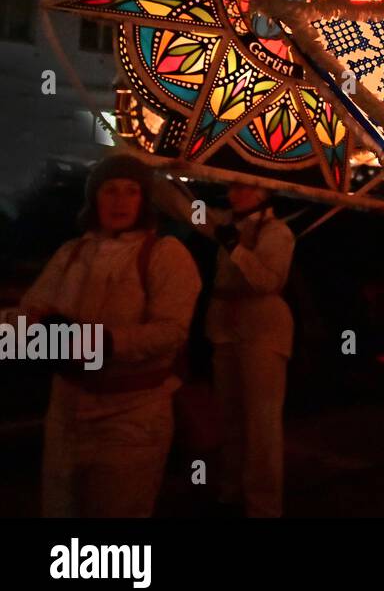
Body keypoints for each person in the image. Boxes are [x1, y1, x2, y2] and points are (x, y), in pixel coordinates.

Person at [1, 154, 201, 517]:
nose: (120, 201)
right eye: (110, 190)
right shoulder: (72, 253)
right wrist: (14, 331)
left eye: (131, 191)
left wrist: (101, 343)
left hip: (131, 419)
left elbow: (170, 332)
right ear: (94, 199)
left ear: (144, 200)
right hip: (66, 413)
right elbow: (33, 312)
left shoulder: (165, 255)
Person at [204, 182, 296, 517]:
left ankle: (263, 506)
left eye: (241, 189)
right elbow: (189, 213)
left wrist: (236, 249)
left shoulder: (278, 233)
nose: (232, 194)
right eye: (230, 187)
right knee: (230, 415)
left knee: (261, 422)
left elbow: (268, 282)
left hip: (263, 331)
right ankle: (231, 491)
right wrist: (156, 176)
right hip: (225, 329)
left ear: (262, 193)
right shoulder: (225, 223)